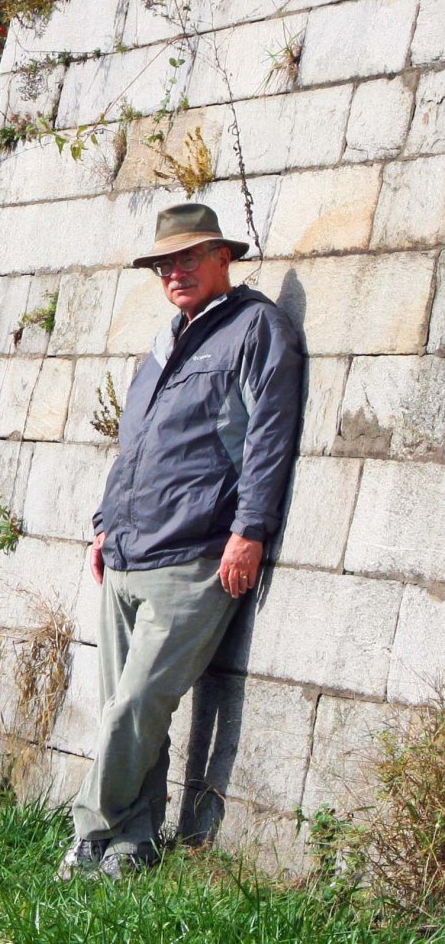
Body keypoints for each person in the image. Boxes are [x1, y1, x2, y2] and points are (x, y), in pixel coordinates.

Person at [58, 202, 304, 882]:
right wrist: (104, 522)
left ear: (223, 257)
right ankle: (132, 848)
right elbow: (133, 443)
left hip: (195, 557)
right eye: (166, 262)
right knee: (130, 713)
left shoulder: (258, 328)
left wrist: (249, 531)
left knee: (136, 704)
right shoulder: (166, 340)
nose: (176, 271)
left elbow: (269, 438)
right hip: (128, 554)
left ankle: (87, 833)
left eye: (189, 257)